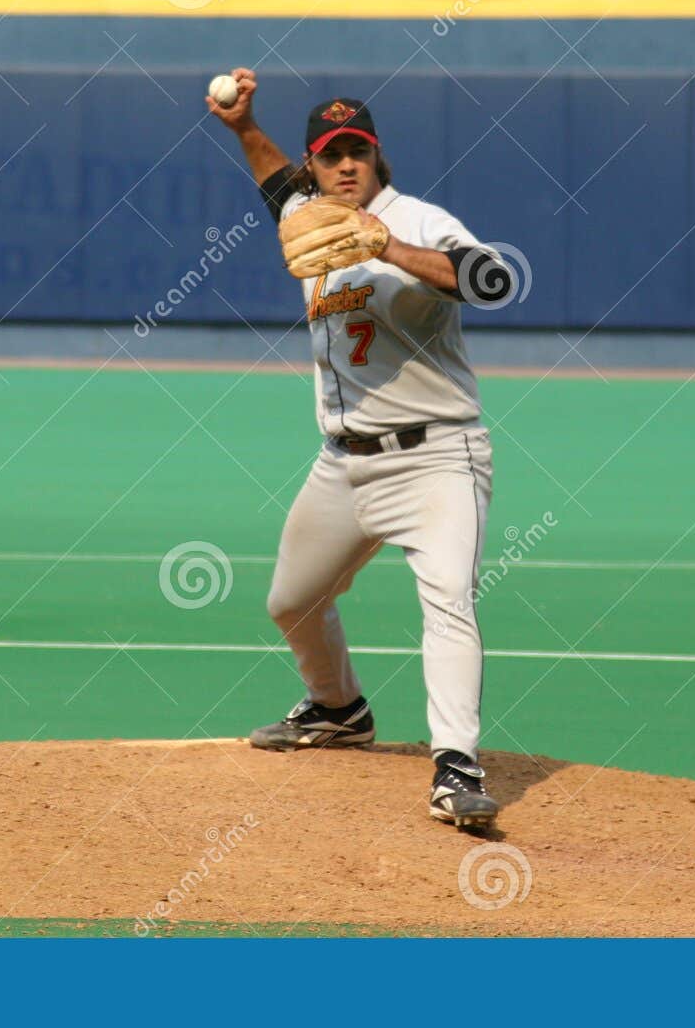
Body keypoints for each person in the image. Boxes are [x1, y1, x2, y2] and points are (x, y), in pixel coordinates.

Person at [207, 67, 514, 830]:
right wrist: (244, 127)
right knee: (292, 601)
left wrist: (391, 245)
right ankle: (338, 708)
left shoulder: (419, 220)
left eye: (359, 151)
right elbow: (277, 185)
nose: (346, 165)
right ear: (314, 164)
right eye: (331, 154)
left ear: (378, 158)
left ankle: (457, 767)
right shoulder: (308, 215)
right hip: (343, 463)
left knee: (448, 599)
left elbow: (492, 280)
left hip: (438, 456)